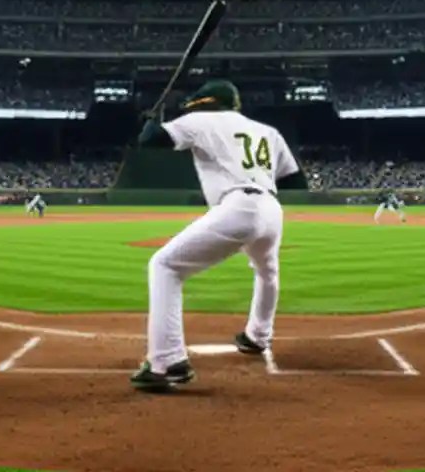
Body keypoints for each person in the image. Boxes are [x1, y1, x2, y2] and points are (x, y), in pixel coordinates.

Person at [129, 80, 307, 392]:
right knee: (267, 271)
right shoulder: (267, 131)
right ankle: (257, 337)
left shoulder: (200, 120)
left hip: (238, 205)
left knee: (165, 266)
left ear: (204, 102)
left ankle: (167, 361)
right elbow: (296, 181)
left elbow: (151, 141)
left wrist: (150, 121)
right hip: (271, 208)